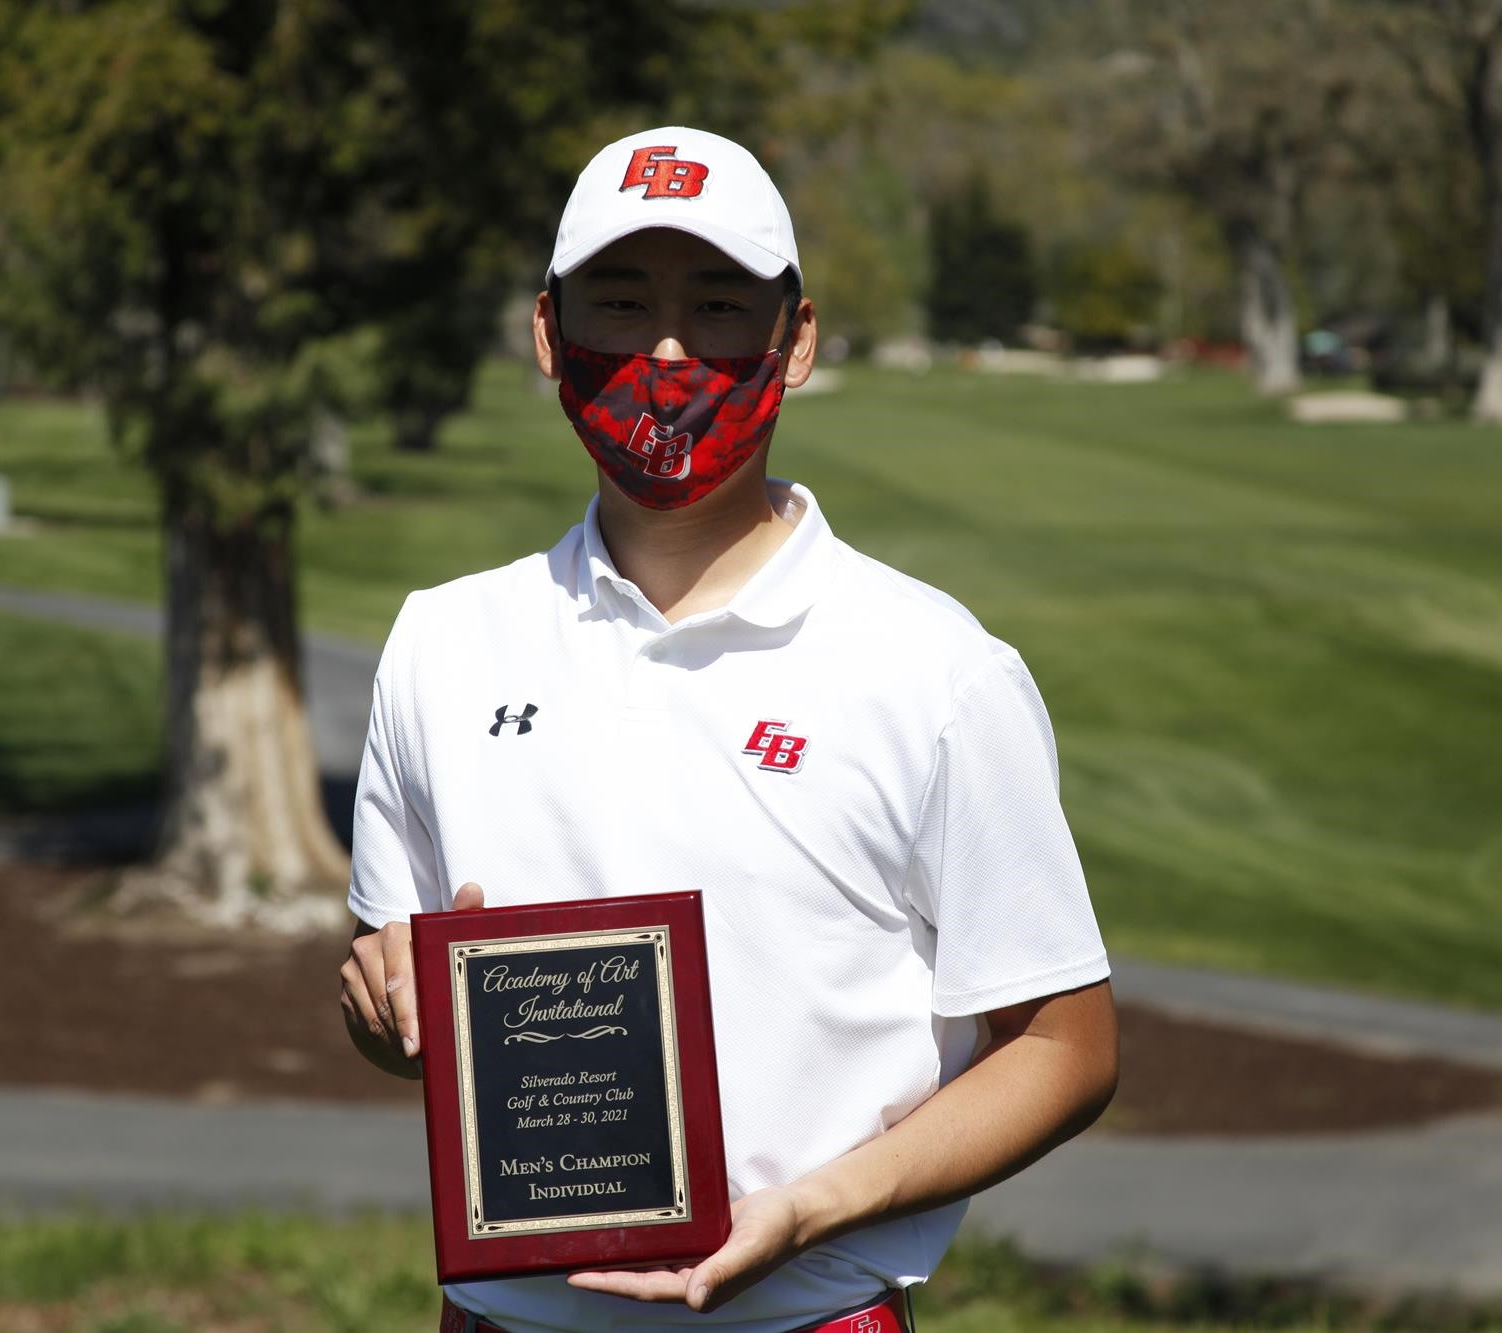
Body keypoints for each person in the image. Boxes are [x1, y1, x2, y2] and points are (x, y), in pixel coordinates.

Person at [340, 126, 1118, 1333]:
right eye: (619, 301)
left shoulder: (935, 667)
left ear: (794, 340)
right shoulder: (442, 646)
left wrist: (813, 1208)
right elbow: (420, 1030)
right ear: (549, 332)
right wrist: (387, 1017)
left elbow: (1066, 1047)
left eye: (716, 305)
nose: (663, 348)